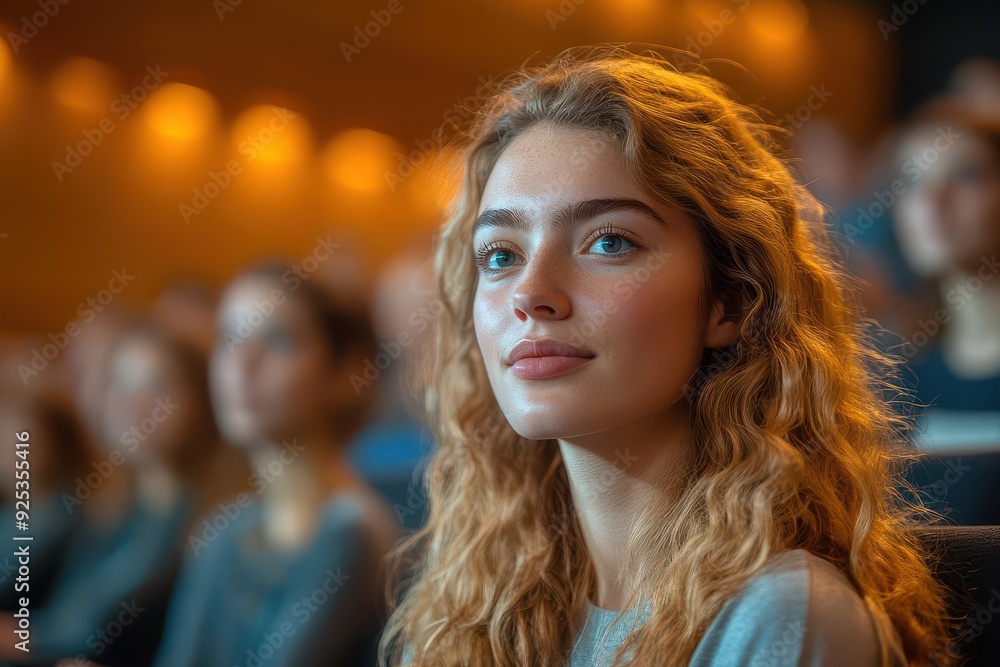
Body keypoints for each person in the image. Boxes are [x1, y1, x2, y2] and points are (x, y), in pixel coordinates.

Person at [379, 47, 956, 666]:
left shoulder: (783, 617)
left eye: (608, 241)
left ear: (730, 303)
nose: (529, 293)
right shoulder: (465, 609)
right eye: (500, 255)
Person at [149, 260, 400, 666]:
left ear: (345, 374)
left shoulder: (353, 530)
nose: (242, 364)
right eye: (230, 338)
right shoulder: (226, 530)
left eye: (278, 341)